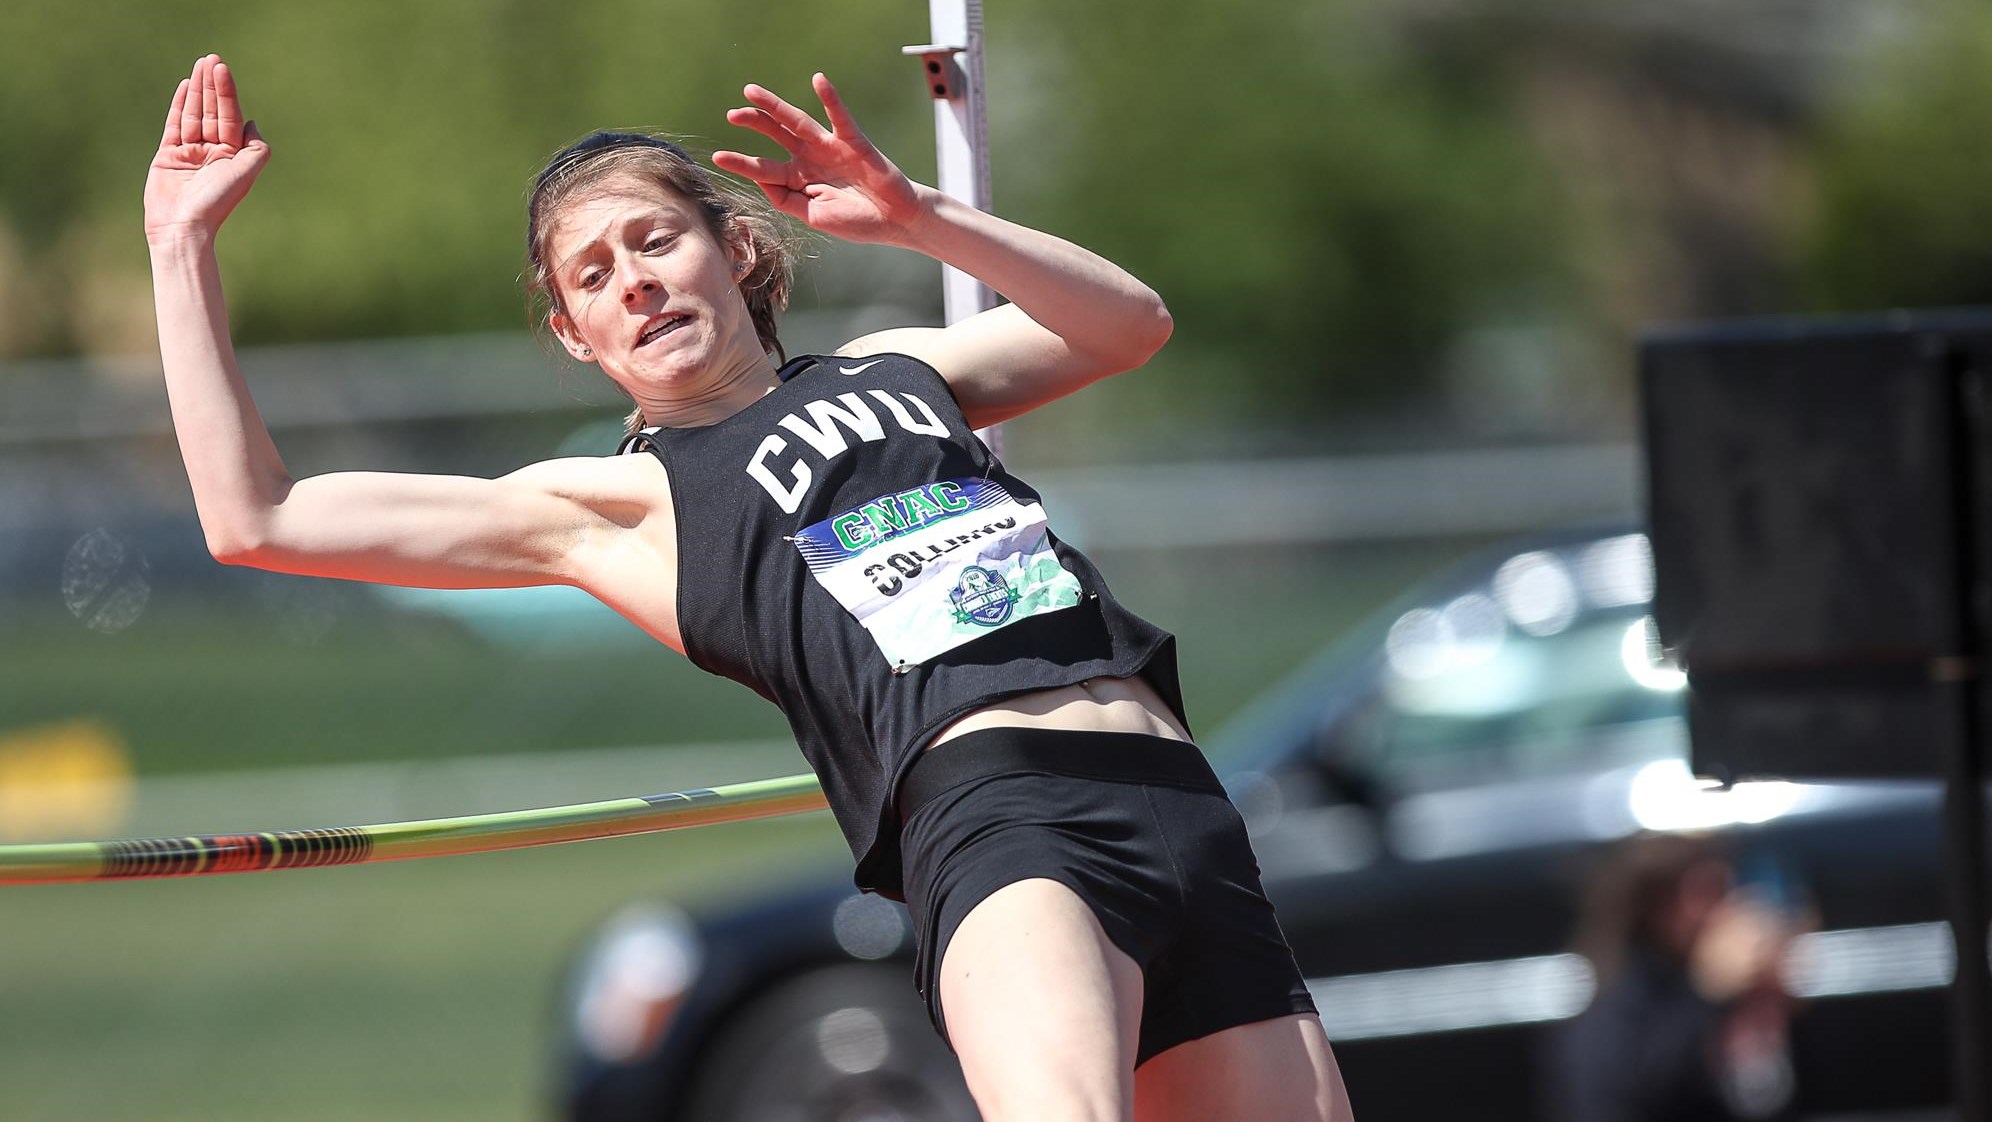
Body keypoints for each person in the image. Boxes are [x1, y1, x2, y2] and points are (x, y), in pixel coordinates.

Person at [144, 53, 1353, 1121]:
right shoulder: (616, 507)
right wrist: (180, 246)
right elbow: (257, 520)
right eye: (594, 273)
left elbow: (1127, 325)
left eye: (658, 241)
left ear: (736, 249)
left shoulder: (898, 366)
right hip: (1001, 817)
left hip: (1179, 797)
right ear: (574, 333)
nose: (635, 281)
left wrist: (918, 217)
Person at [1541, 833, 1808, 1122]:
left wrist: (1771, 1005)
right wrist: (1708, 993)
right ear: (1660, 904)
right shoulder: (1612, 1008)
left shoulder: (1724, 986)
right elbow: (1651, 1091)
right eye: (1707, 891)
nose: (1723, 910)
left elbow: (1764, 1097)